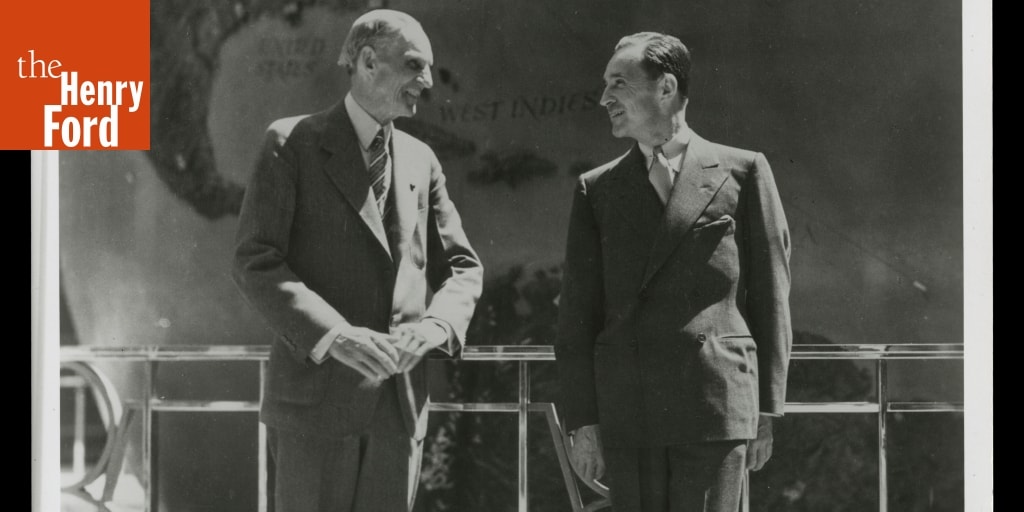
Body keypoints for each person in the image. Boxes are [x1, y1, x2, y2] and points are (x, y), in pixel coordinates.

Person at [231, 9, 483, 512]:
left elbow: (461, 267)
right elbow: (255, 259)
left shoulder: (420, 159)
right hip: (312, 410)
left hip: (399, 413)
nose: (427, 82)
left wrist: (436, 326)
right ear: (368, 62)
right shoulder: (291, 143)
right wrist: (334, 335)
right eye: (415, 65)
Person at [554, 32, 792, 512]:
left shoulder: (743, 172)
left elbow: (771, 295)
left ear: (664, 88)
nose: (604, 99)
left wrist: (767, 409)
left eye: (618, 84)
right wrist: (584, 422)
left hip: (714, 408)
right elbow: (578, 315)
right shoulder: (597, 189)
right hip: (629, 412)